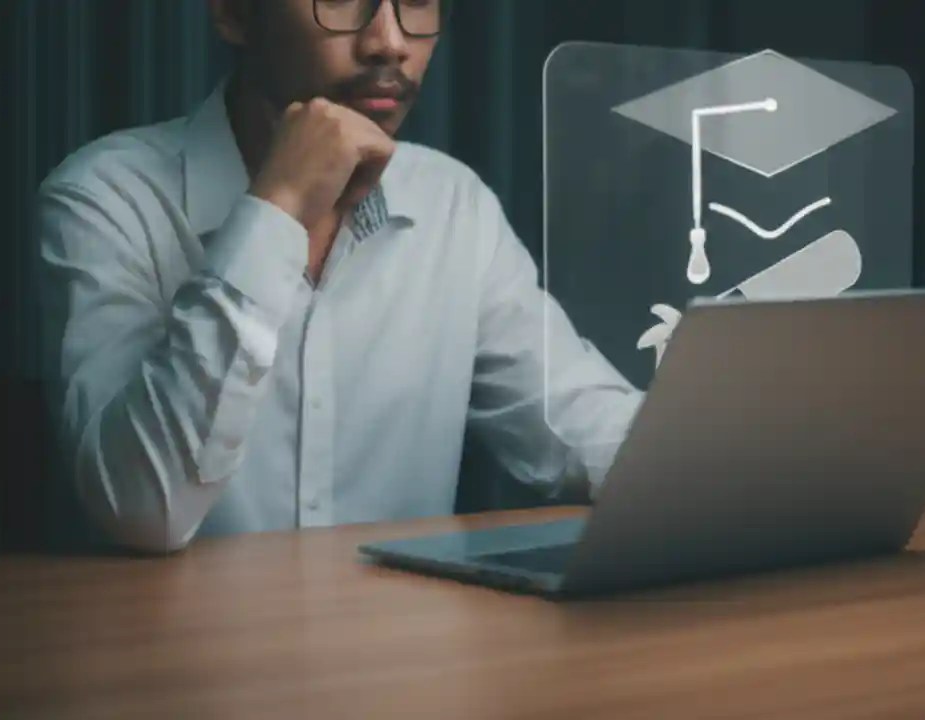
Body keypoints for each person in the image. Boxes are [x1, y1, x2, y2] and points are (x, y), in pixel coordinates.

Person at [35, 0, 643, 554]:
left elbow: (582, 429)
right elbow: (142, 510)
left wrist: (722, 464)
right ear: (234, 14)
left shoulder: (454, 205)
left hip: (402, 660)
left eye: (417, 3)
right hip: (183, 659)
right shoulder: (106, 199)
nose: (389, 41)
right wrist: (276, 209)